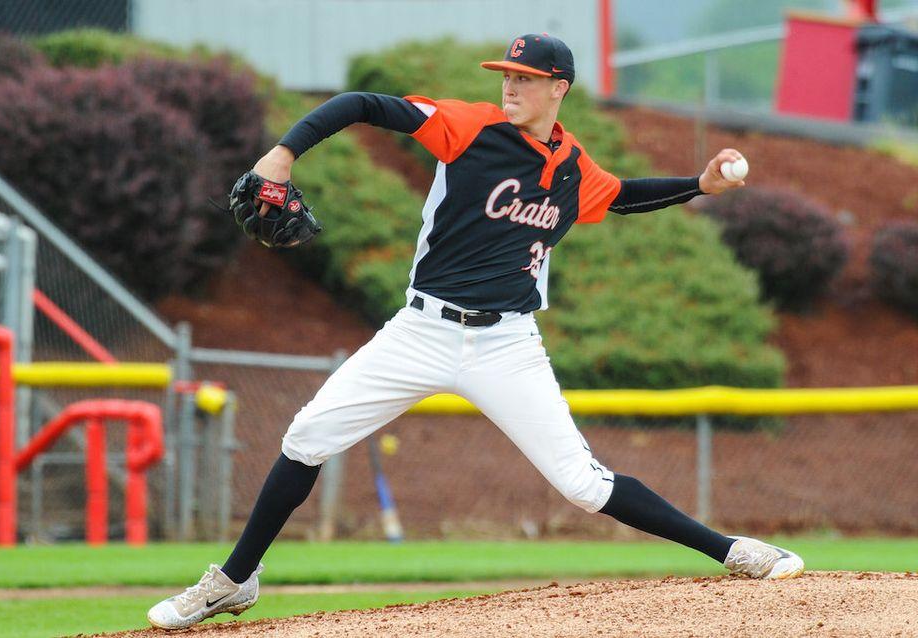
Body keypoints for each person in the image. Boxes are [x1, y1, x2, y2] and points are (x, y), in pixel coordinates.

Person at [147, 33, 804, 630]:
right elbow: (363, 103)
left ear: (558, 89)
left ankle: (732, 550)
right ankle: (233, 581)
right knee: (306, 437)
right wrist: (283, 154)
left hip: (507, 344)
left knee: (581, 483)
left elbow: (621, 193)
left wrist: (698, 185)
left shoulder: (571, 167)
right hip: (419, 331)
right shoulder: (468, 127)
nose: (510, 86)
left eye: (524, 77)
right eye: (506, 75)